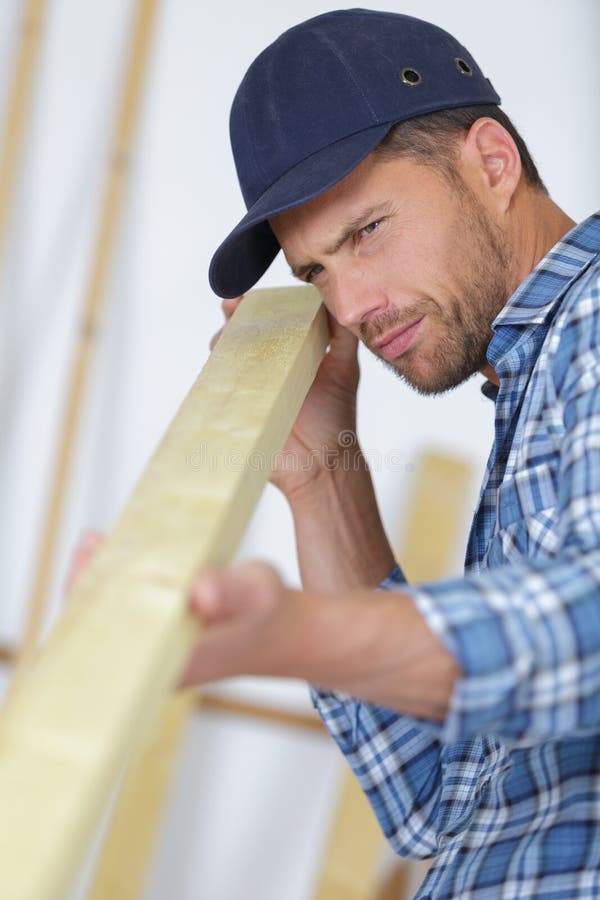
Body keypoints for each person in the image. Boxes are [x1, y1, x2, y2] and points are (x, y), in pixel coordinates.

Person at [73, 9, 600, 898]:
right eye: (314, 271)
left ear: (491, 162)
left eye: (367, 231)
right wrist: (325, 472)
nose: (349, 307)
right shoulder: (532, 378)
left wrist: (294, 633)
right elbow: (436, 804)